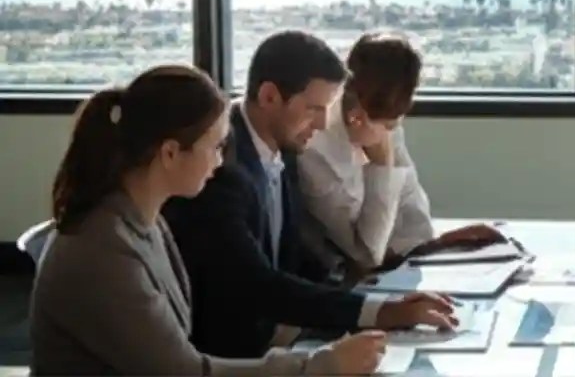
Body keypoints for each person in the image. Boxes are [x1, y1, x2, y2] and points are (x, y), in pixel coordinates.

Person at [30, 65, 385, 376]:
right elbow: (184, 372)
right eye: (215, 147)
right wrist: (321, 366)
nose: (220, 162)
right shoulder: (105, 250)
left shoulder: (145, 221)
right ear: (170, 153)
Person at [164, 31, 458, 360]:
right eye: (313, 109)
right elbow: (258, 285)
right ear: (270, 97)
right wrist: (382, 311)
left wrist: (381, 300)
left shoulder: (282, 147)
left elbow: (301, 262)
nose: (321, 124)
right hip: (235, 352)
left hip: (277, 329)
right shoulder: (221, 168)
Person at [297, 32, 504, 276]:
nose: (393, 130)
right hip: (349, 282)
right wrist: (382, 166)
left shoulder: (383, 126)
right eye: (389, 125)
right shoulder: (315, 154)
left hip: (396, 271)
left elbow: (415, 223)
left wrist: (446, 243)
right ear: (357, 118)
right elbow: (366, 257)